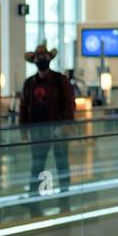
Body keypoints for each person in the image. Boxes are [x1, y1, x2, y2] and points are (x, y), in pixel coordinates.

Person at [19, 42, 76, 214]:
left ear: (49, 59)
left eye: (44, 57)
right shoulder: (30, 83)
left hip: (58, 130)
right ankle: (33, 194)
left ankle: (64, 195)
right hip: (38, 131)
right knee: (37, 164)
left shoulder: (60, 81)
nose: (41, 60)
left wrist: (67, 123)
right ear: (34, 60)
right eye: (38, 57)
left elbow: (69, 103)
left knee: (62, 163)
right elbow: (24, 106)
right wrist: (23, 129)